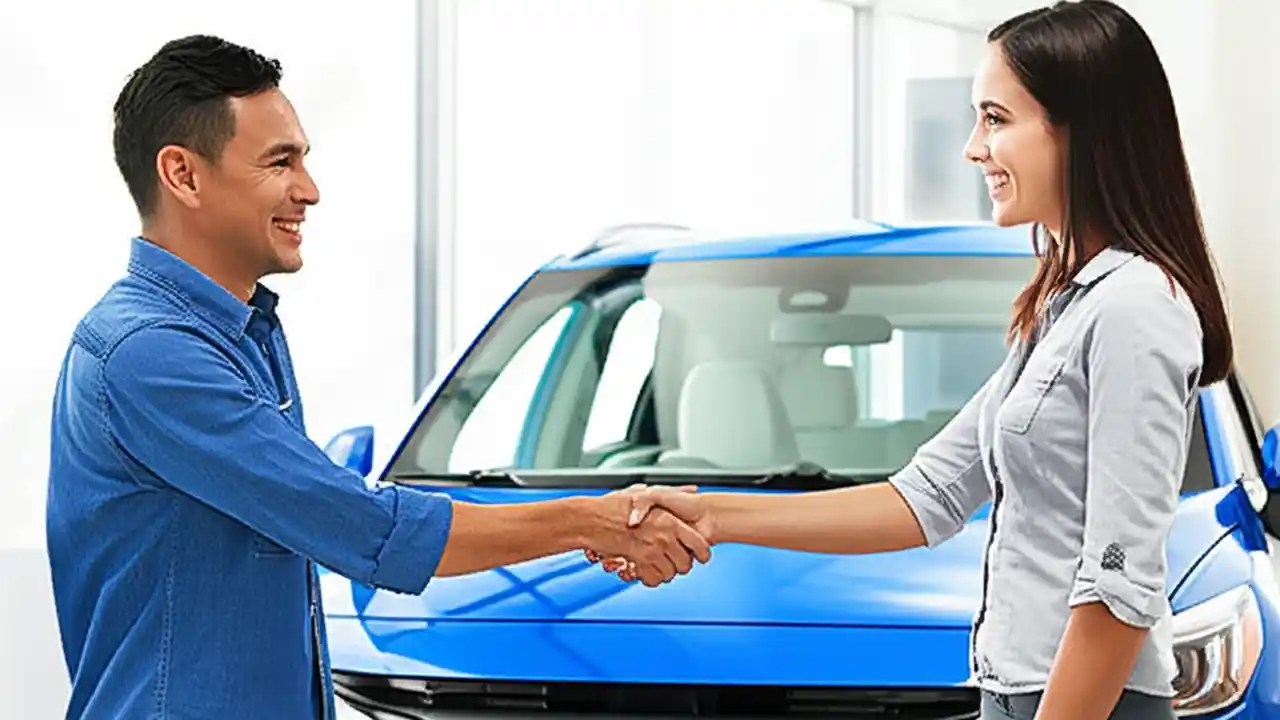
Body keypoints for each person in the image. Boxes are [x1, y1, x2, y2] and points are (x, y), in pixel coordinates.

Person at [590, 2, 1233, 719]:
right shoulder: (1062, 308)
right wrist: (707, 514)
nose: (972, 147)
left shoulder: (1135, 309)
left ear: (1078, 131)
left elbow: (1119, 588)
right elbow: (922, 498)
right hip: (1017, 690)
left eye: (995, 119)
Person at [45, 35, 708, 720]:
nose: (309, 190)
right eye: (281, 162)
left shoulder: (242, 332)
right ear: (183, 175)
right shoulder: (150, 354)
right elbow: (366, 529)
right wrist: (591, 520)